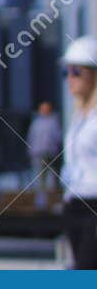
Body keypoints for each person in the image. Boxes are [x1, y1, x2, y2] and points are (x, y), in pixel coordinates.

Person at [60, 37, 97, 269]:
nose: (69, 79)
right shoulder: (77, 118)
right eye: (66, 72)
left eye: (76, 72)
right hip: (75, 205)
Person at [28, 100, 62, 208]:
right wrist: (31, 151)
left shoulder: (54, 122)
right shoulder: (36, 123)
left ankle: (54, 201)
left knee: (53, 179)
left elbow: (58, 138)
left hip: (51, 154)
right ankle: (41, 202)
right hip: (38, 154)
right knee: (40, 179)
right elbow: (31, 138)